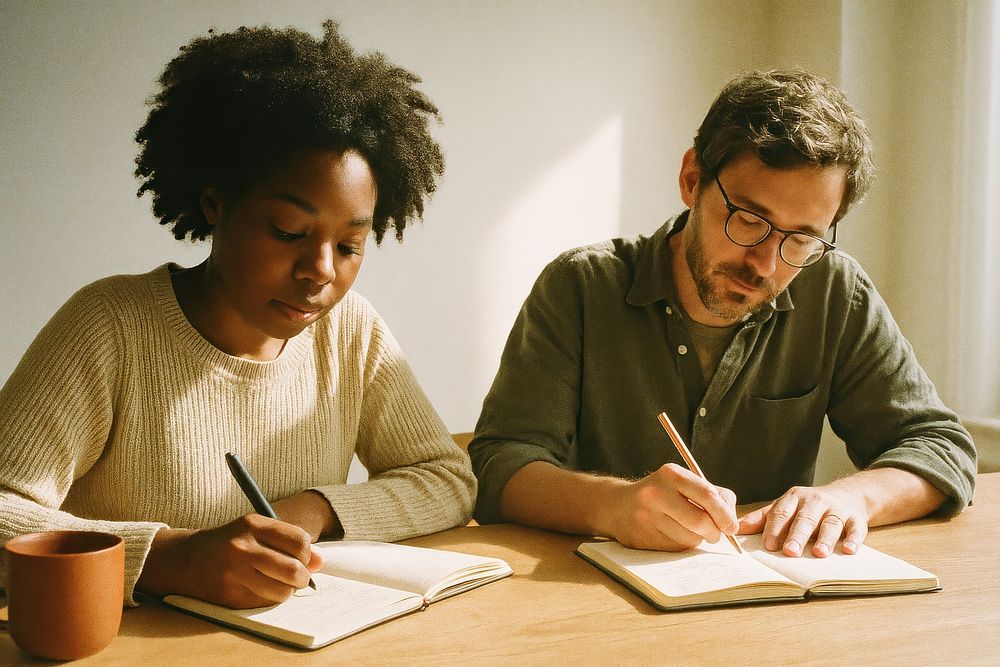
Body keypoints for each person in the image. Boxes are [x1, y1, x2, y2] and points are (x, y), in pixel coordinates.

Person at [0, 21, 475, 609]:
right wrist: (172, 558)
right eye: (288, 231)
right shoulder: (109, 327)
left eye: (350, 246)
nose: (321, 270)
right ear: (215, 203)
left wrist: (315, 509)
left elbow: (447, 478)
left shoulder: (349, 330)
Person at [468, 69, 977, 559]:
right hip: (600, 602)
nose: (766, 264)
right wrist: (615, 507)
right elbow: (498, 467)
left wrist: (849, 499)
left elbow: (941, 447)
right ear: (692, 179)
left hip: (770, 599)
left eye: (801, 237)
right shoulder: (581, 286)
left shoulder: (834, 290)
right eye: (750, 220)